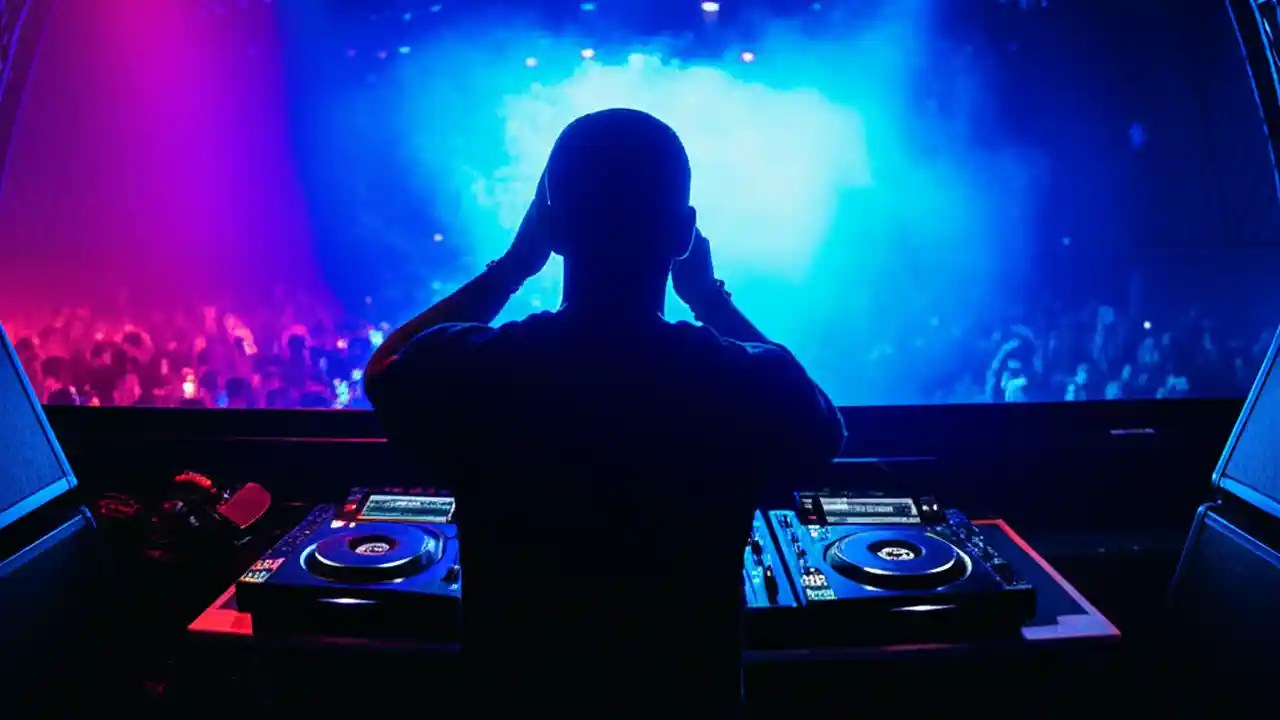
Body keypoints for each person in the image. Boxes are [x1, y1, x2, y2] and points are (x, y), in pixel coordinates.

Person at [365, 108, 844, 718]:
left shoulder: (484, 368)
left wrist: (513, 267)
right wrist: (707, 297)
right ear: (683, 237)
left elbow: (387, 368)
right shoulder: (742, 380)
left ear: (552, 229)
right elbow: (826, 430)